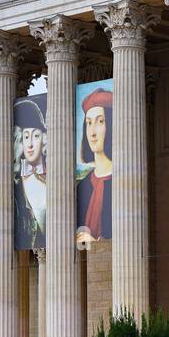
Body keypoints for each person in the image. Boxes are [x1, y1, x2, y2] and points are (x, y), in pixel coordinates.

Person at [75, 87, 113, 247]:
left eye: (100, 121)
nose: (92, 132)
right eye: (88, 123)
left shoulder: (121, 184)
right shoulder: (83, 184)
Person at [14, 96, 47, 249]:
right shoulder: (16, 185)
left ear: (44, 138)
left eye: (36, 135)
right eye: (26, 137)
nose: (31, 144)